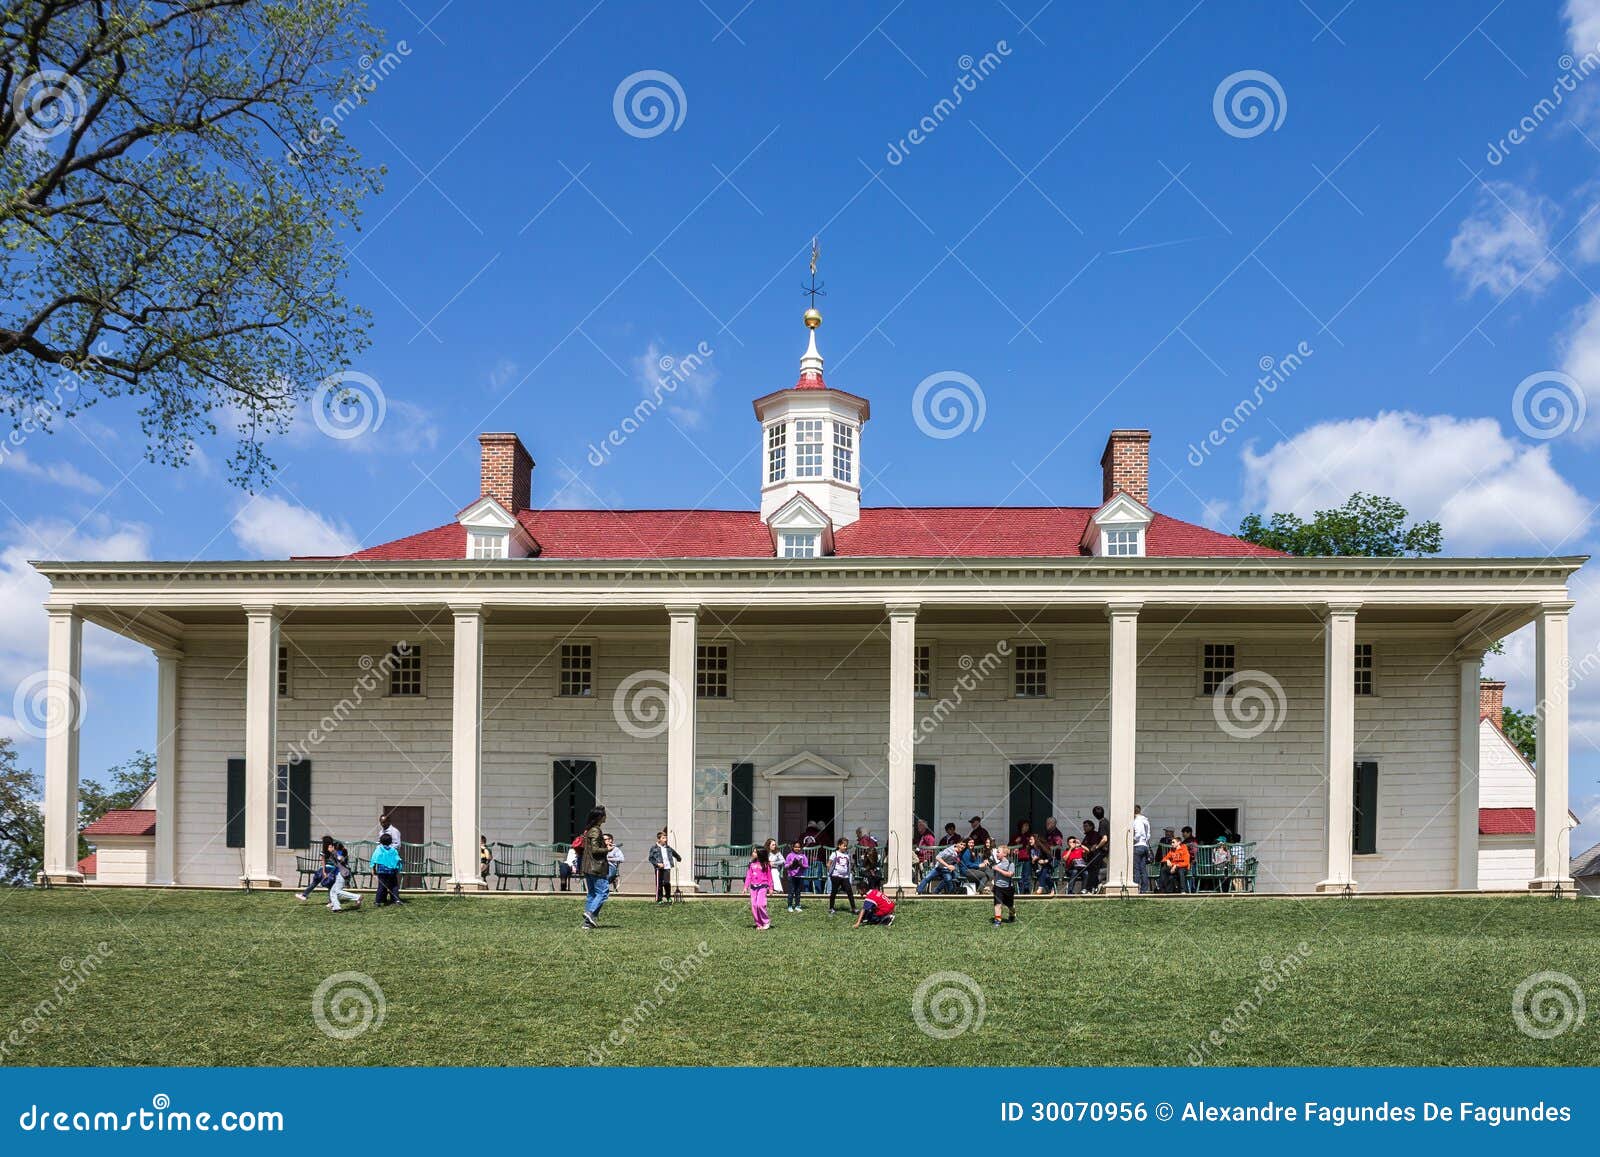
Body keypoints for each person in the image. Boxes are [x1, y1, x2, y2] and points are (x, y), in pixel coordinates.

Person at [579, 807, 611, 930]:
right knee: (603, 892)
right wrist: (607, 849)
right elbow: (595, 850)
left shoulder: (590, 830)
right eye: (604, 815)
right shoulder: (596, 831)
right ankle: (590, 913)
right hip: (596, 867)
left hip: (588, 867)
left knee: (592, 894)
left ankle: (587, 923)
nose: (605, 817)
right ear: (599, 817)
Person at [297, 834, 337, 901]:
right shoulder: (334, 850)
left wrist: (324, 871)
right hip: (332, 869)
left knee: (315, 882)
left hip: (324, 869)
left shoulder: (323, 851)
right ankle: (331, 901)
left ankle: (304, 895)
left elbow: (323, 861)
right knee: (330, 884)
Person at [745, 847, 775, 931]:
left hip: (762, 887)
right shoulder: (751, 865)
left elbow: (769, 877)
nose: (753, 853)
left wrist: (771, 888)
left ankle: (766, 922)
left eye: (755, 852)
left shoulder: (766, 865)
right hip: (753, 888)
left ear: (760, 854)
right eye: (753, 852)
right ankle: (759, 924)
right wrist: (745, 887)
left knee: (760, 904)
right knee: (754, 906)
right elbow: (748, 876)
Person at [327, 841, 361, 912]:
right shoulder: (337, 853)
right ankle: (336, 907)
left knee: (337, 891)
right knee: (333, 892)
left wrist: (334, 852)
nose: (328, 848)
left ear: (334, 847)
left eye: (330, 846)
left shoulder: (338, 853)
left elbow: (340, 858)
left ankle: (357, 897)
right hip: (340, 874)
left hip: (341, 874)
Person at [649, 831, 681, 904]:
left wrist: (678, 858)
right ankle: (659, 899)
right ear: (659, 839)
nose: (665, 839)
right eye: (663, 838)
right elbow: (650, 858)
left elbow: (674, 853)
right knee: (659, 884)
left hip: (667, 867)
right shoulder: (654, 848)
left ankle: (668, 897)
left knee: (667, 883)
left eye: (666, 838)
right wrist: (657, 864)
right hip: (659, 869)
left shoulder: (668, 847)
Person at [826, 839, 856, 915]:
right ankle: (831, 907)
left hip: (845, 876)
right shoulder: (834, 854)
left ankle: (854, 908)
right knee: (834, 891)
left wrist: (850, 870)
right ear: (839, 845)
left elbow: (849, 864)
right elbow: (829, 863)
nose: (845, 847)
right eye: (844, 846)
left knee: (849, 891)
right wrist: (830, 872)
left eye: (846, 846)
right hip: (835, 875)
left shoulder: (847, 855)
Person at [372, 833, 402, 906]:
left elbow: (374, 859)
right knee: (394, 886)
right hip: (392, 871)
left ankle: (378, 901)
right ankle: (396, 900)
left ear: (381, 841)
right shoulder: (393, 850)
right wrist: (398, 869)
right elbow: (397, 859)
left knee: (381, 886)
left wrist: (373, 869)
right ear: (391, 842)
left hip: (382, 871)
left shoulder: (379, 849)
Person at [989, 844, 1016, 925]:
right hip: (998, 888)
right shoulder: (997, 864)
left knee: (1010, 905)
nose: (996, 854)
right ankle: (998, 920)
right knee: (998, 904)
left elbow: (1010, 874)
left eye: (998, 852)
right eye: (996, 852)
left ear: (1004, 854)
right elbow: (995, 875)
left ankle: (1012, 915)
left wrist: (998, 869)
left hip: (1008, 888)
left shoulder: (1010, 864)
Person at [782, 842, 809, 912]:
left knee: (798, 892)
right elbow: (785, 866)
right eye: (795, 847)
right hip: (791, 876)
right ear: (793, 847)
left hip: (800, 876)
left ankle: (797, 905)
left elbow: (807, 866)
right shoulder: (789, 855)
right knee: (791, 891)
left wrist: (801, 865)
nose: (797, 848)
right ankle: (790, 906)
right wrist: (790, 864)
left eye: (799, 847)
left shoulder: (803, 856)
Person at [1131, 805, 1152, 894]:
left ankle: (1136, 887)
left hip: (1137, 845)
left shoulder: (1137, 821)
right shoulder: (1145, 820)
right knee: (1143, 868)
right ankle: (1144, 888)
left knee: (1136, 868)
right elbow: (1148, 835)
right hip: (1144, 845)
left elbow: (1138, 834)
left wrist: (1131, 840)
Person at [1012, 820, 1035, 893]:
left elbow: (1033, 845)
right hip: (1018, 858)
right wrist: (1015, 844)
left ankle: (1026, 889)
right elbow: (1010, 846)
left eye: (1027, 826)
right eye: (1025, 826)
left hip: (1027, 858)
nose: (1026, 827)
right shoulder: (1016, 836)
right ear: (1021, 827)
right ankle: (1020, 890)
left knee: (1027, 874)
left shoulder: (1029, 836)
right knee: (1019, 875)